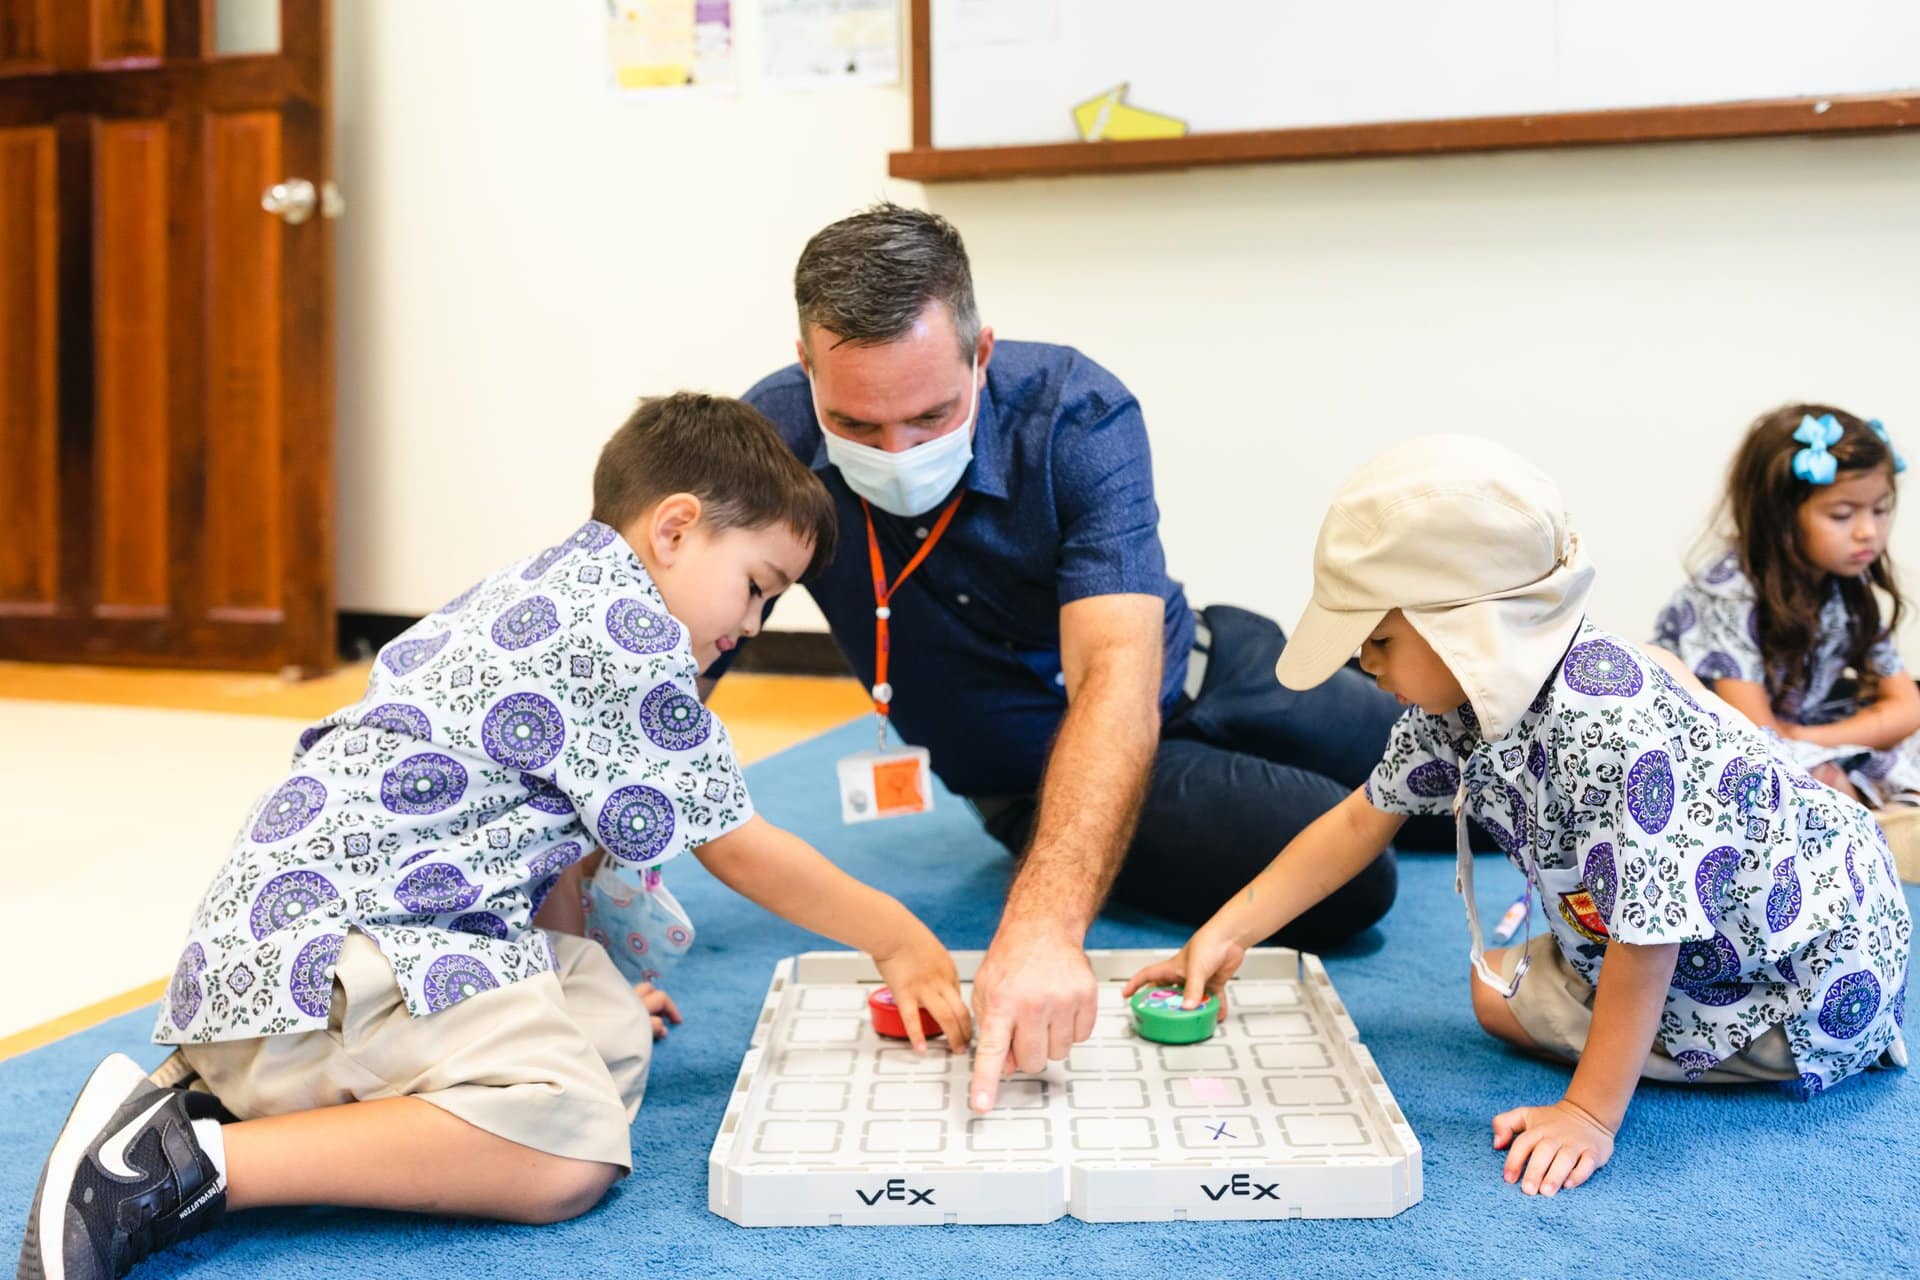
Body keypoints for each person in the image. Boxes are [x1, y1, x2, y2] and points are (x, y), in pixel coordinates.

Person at [15, 394, 970, 1280]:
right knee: (572, 1150)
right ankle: (178, 1166)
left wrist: (571, 962)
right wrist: (896, 937)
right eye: (757, 588)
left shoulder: (550, 590)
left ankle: (231, 1102)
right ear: (676, 528)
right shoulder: (625, 637)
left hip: (303, 964)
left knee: (605, 1016)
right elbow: (735, 843)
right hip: (333, 968)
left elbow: (547, 839)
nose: (750, 627)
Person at [724, 203, 1417, 1113]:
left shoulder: (1078, 411)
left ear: (982, 354)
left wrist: (1047, 925)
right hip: (1043, 779)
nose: (898, 452)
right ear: (807, 370)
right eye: (857, 425)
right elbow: (681, 651)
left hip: (1202, 663)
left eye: (932, 415)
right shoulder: (766, 440)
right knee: (1357, 874)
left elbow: (1113, 675)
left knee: (1453, 751)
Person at [1127, 434, 1911, 1197]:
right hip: (1698, 930)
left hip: (1802, 973)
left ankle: (1740, 1050)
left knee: (1504, 998)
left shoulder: (1610, 730)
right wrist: (1223, 935)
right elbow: (1359, 821)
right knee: (1495, 988)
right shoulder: (1458, 699)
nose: (1364, 666)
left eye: (1379, 639)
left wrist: (1588, 1115)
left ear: (1468, 628)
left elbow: (1650, 933)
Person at [1654, 404, 1920, 881]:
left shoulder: (1848, 584)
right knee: (1791, 780)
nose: (1869, 532)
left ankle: (1866, 818)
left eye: (1880, 510)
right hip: (1717, 744)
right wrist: (1811, 749)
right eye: (1843, 514)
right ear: (1779, 518)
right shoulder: (1730, 592)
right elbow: (1755, 734)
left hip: (1798, 731)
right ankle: (1864, 829)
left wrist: (1811, 739)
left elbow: (1906, 707)